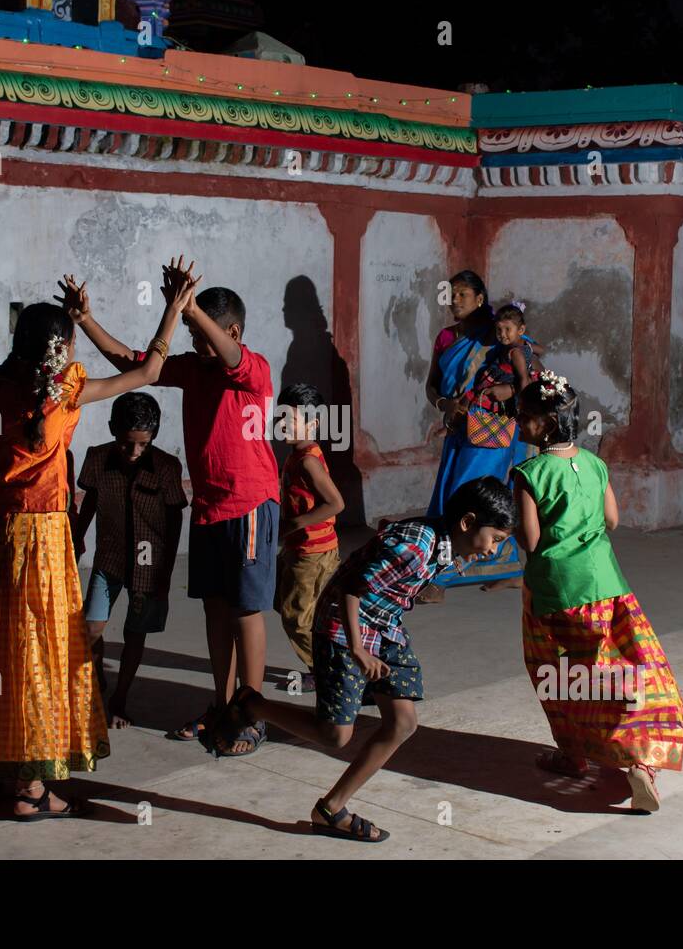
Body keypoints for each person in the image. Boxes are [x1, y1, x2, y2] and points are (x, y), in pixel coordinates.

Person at [0, 262, 190, 820]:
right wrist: (172, 309)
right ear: (63, 348)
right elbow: (150, 371)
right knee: (39, 655)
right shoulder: (65, 391)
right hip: (39, 534)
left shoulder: (0, 387)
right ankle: (32, 788)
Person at [218, 476, 515, 841]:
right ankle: (252, 705)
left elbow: (386, 548)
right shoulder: (416, 547)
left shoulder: (444, 545)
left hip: (385, 624)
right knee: (335, 736)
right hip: (344, 628)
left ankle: (331, 808)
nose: (494, 551)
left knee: (403, 723)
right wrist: (358, 649)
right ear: (467, 523)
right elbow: (350, 589)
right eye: (495, 540)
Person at [73, 264, 281, 758]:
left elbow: (230, 354)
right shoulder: (193, 369)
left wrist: (189, 306)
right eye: (189, 331)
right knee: (216, 609)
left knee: (247, 610)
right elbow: (132, 360)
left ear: (230, 330)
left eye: (198, 331)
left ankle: (252, 716)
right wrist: (86, 320)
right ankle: (223, 704)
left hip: (249, 503)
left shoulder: (253, 367)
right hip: (211, 508)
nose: (193, 341)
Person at [512, 372, 683, 812]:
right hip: (608, 583)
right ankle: (639, 762)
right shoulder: (595, 464)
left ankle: (576, 756)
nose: (519, 424)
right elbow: (611, 520)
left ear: (547, 423)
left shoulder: (530, 473)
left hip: (555, 589)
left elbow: (531, 541)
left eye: (526, 417)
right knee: (619, 671)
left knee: (562, 673)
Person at [72, 392, 188, 729]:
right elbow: (91, 498)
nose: (134, 452)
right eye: (126, 444)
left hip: (149, 569)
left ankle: (120, 697)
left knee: (135, 634)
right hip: (108, 559)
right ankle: (95, 682)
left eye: (142, 444)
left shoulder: (167, 467)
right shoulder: (96, 459)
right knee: (91, 628)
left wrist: (165, 574)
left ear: (153, 437)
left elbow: (175, 518)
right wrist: (78, 535)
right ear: (112, 430)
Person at [422, 271, 526, 601]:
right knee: (452, 496)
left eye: (463, 294)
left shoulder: (498, 333)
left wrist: (506, 390)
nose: (455, 300)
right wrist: (445, 403)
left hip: (490, 432)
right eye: (453, 294)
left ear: (480, 298)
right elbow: (431, 386)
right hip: (459, 427)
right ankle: (505, 569)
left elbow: (529, 372)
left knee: (470, 497)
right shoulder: (446, 338)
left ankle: (442, 577)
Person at [273, 383, 344, 693]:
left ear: (313, 424)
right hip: (303, 549)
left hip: (312, 552)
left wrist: (294, 525)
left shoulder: (307, 461)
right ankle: (327, 664)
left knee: (296, 619)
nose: (283, 425)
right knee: (296, 608)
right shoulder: (297, 454)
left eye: (292, 420)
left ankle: (326, 670)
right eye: (281, 418)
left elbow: (336, 503)